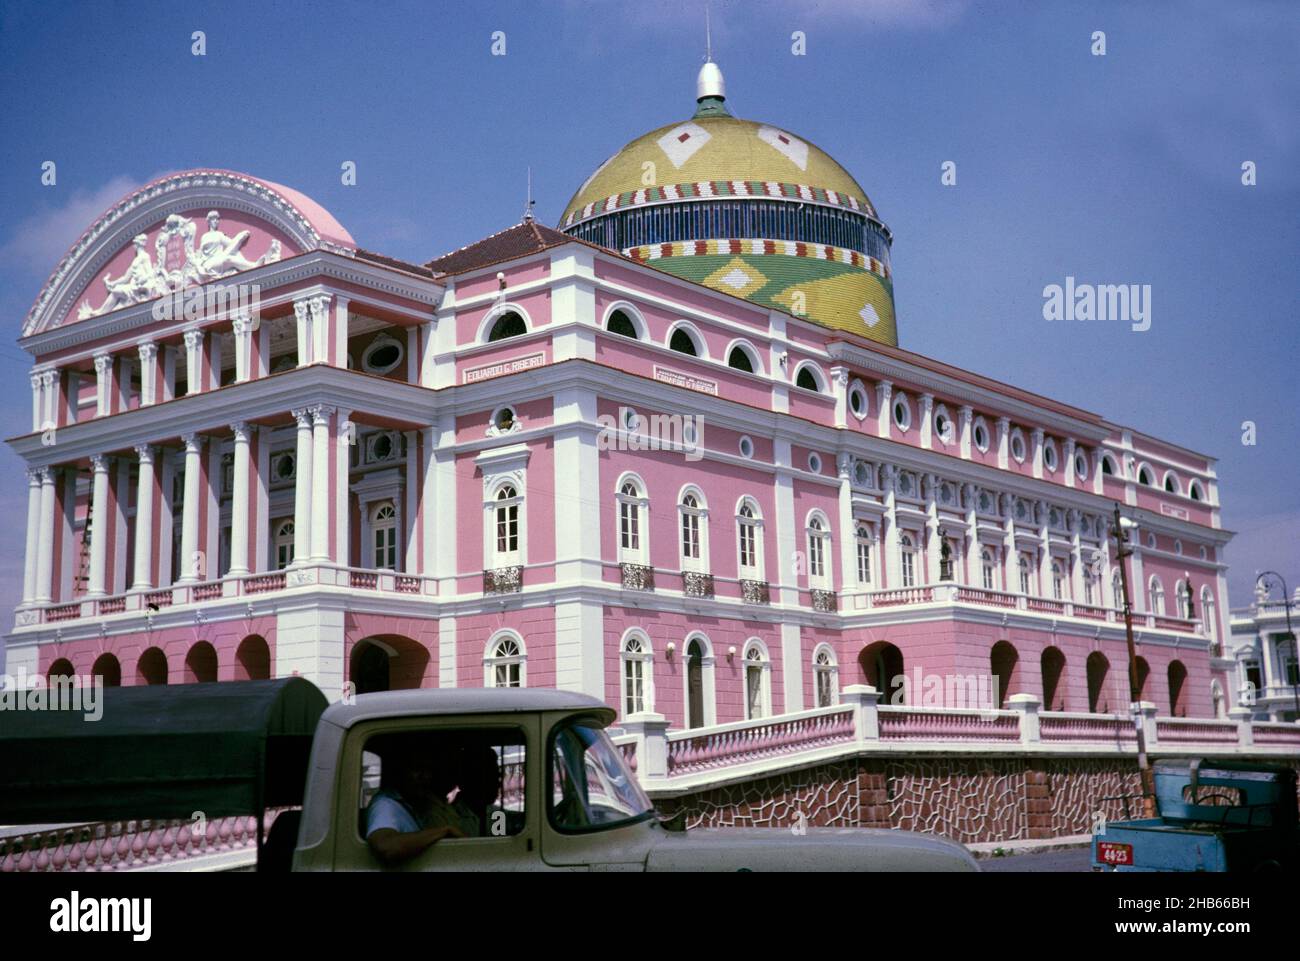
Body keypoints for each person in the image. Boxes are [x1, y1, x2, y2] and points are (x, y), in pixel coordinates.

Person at [364, 743, 465, 865]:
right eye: (417, 769)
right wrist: (445, 831)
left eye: (428, 770)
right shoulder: (385, 805)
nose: (425, 777)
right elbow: (386, 847)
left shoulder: (412, 804)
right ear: (400, 772)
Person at [451, 747, 502, 837]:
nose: (498, 784)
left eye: (497, 777)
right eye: (490, 779)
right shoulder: (451, 818)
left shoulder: (497, 815)